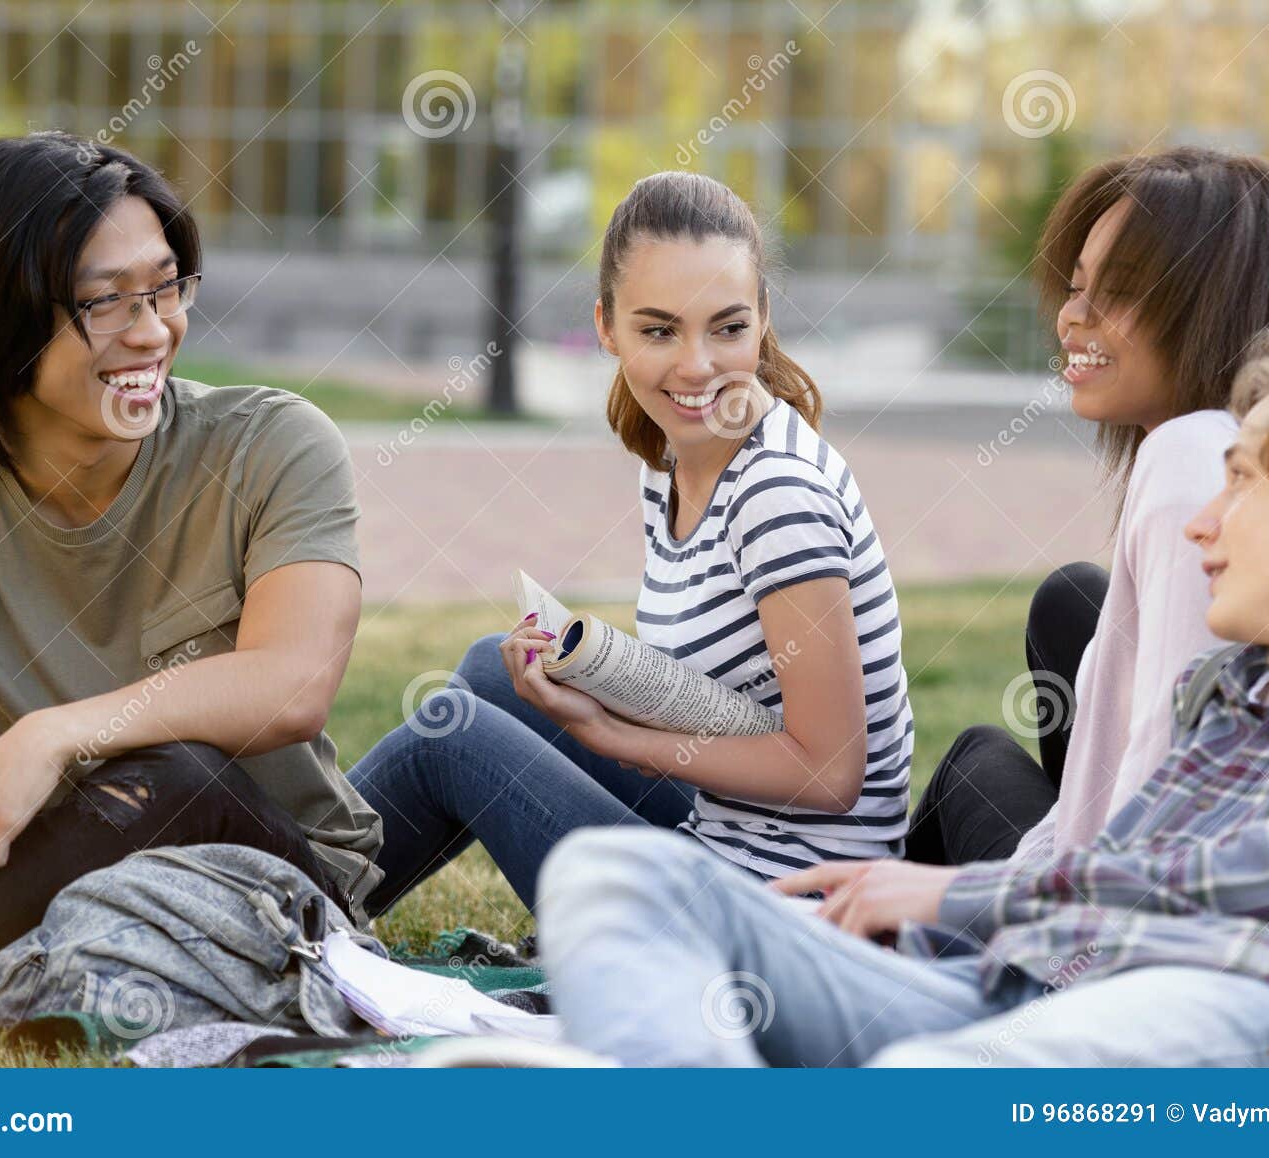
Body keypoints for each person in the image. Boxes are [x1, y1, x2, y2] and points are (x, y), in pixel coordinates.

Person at [537, 333, 1269, 1068]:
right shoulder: (1237, 696)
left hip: (1247, 1014)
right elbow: (1095, 895)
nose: (1202, 523)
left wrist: (948, 895)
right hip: (1009, 993)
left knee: (926, 1076)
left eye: (1241, 481)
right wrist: (906, 920)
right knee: (613, 875)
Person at [0, 132, 381, 1008]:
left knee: (179, 770)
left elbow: (292, 685)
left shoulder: (274, 443)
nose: (153, 331)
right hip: (16, 883)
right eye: (106, 303)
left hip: (270, 897)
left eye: (165, 286)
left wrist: (54, 733)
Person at [346, 172, 913, 913]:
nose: (697, 365)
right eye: (659, 330)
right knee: (494, 669)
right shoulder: (677, 460)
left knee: (448, 739)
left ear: (764, 317)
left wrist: (618, 737)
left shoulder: (777, 492)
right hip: (724, 835)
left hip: (783, 908)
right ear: (606, 326)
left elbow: (832, 773)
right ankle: (288, 905)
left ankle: (253, 909)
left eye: (728, 327)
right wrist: (598, 678)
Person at [908, 145, 1269, 866]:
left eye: (1119, 292)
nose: (1074, 318)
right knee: (1070, 604)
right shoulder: (1258, 470)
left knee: (974, 758)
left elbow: (1168, 794)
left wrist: (1039, 902)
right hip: (1141, 886)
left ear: (1223, 305)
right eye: (1075, 286)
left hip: (1106, 929)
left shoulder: (1189, 453)